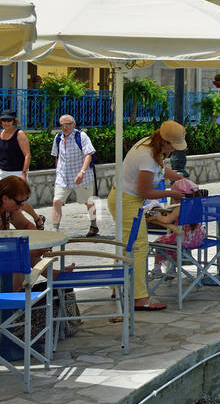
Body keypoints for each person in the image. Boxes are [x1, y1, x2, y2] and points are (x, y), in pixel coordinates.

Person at [112, 121, 187, 312]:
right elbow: (144, 191)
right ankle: (139, 298)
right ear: (165, 141)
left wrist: (179, 178)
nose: (173, 150)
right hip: (127, 200)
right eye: (173, 146)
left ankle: (117, 286)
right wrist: (172, 194)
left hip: (124, 198)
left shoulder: (150, 145)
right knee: (138, 247)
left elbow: (160, 171)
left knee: (126, 244)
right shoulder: (147, 156)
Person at [51, 115, 99, 237]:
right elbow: (57, 156)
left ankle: (93, 225)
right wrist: (57, 171)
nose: (64, 127)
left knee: (88, 202)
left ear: (74, 124)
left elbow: (88, 154)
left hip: (81, 176)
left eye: (67, 124)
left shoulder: (81, 136)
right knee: (56, 201)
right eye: (62, 125)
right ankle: (54, 230)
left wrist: (82, 172)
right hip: (63, 177)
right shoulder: (58, 138)